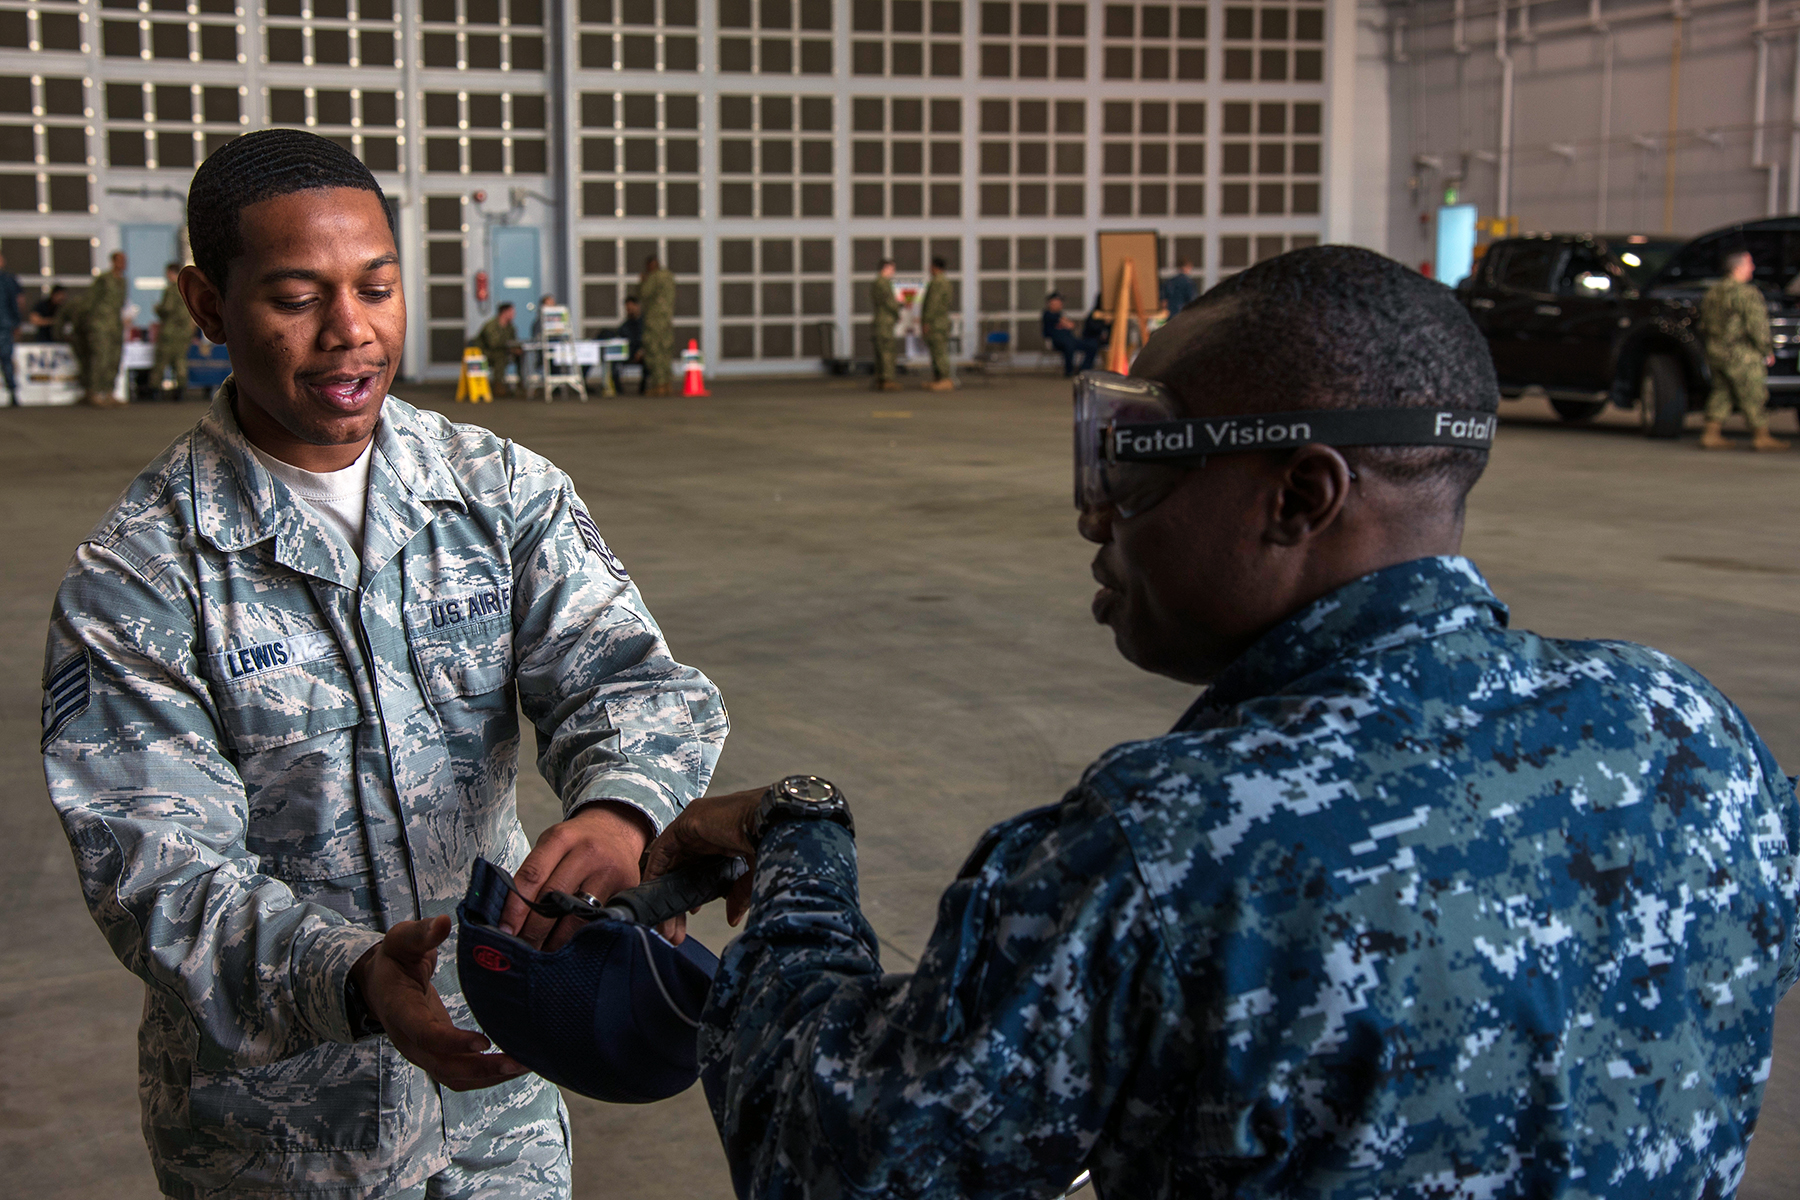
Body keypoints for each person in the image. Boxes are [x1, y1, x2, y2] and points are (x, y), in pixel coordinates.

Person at [643, 245, 1798, 1198]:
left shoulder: (1169, 839)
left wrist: (799, 841)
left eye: (1135, 461)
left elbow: (833, 1156)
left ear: (1300, 496)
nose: (1098, 515)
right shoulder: (1692, 729)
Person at [40, 129, 728, 1199]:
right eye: (296, 296)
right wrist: (352, 977)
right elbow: (157, 875)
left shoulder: (498, 492)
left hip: (498, 1106)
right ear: (206, 307)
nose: (349, 332)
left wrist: (621, 811)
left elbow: (625, 680)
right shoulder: (142, 575)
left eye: (376, 286)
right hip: (279, 1142)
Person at [1699, 249, 1788, 451]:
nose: (1753, 268)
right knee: (1754, 392)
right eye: (1750, 264)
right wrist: (1766, 350)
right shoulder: (1747, 293)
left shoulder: (1713, 292)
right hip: (1741, 354)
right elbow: (1757, 326)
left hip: (1716, 351)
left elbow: (1704, 324)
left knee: (1722, 391)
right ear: (1738, 268)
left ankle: (1711, 433)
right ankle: (1761, 436)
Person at [70, 250, 127, 408]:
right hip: (100, 324)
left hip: (115, 325)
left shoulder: (122, 281)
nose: (124, 264)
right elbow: (89, 301)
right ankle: (93, 392)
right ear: (113, 262)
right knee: (99, 358)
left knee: (114, 359)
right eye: (121, 260)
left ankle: (109, 393)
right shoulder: (103, 279)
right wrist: (86, 323)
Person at [149, 260, 196, 401]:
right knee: (180, 361)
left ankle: (154, 390)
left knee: (161, 361)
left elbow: (167, 309)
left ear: (170, 273)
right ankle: (180, 390)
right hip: (184, 332)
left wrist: (157, 309)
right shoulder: (188, 289)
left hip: (170, 332)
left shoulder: (171, 289)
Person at [638, 254, 676, 396]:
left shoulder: (653, 277)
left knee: (655, 352)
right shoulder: (669, 277)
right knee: (666, 351)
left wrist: (642, 281)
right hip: (666, 320)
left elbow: (644, 293)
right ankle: (667, 383)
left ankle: (659, 384)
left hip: (654, 321)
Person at [468, 301, 521, 396]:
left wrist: (516, 349)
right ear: (504, 312)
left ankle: (521, 385)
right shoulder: (491, 325)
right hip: (484, 353)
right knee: (500, 356)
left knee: (520, 355)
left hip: (501, 351)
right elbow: (493, 344)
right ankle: (498, 385)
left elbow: (513, 341)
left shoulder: (510, 327)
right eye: (512, 312)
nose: (514, 314)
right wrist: (510, 348)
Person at [918, 256, 954, 391]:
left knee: (939, 352)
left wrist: (926, 321)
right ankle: (939, 379)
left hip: (936, 323)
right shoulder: (944, 281)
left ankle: (945, 379)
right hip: (939, 321)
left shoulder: (938, 282)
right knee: (936, 352)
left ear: (934, 267)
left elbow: (933, 303)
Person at [1041, 291, 1098, 376]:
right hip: (1057, 341)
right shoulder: (1047, 314)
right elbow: (1066, 323)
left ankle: (1084, 369)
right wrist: (1066, 323)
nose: (1059, 304)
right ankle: (1069, 371)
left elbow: (1072, 325)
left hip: (1070, 339)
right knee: (1069, 346)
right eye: (1056, 302)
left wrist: (1067, 323)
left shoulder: (1061, 314)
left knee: (1092, 345)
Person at [601, 294, 645, 393]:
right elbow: (620, 336)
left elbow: (647, 339)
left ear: (637, 306)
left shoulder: (644, 323)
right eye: (627, 308)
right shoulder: (626, 324)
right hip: (627, 352)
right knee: (614, 356)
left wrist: (642, 350)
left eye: (631, 308)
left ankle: (644, 388)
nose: (629, 310)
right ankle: (616, 387)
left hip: (639, 351)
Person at [870, 258, 901, 391]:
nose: (893, 272)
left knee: (881, 351)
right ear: (885, 268)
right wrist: (898, 311)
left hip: (880, 321)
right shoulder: (883, 283)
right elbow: (889, 302)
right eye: (892, 269)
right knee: (887, 351)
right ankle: (887, 379)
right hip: (885, 322)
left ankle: (881, 379)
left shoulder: (877, 282)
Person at [0, 249, 20, 405]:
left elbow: (17, 302)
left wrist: (17, 323)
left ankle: (13, 393)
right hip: (6, 324)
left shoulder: (8, 280)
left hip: (4, 326)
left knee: (7, 360)